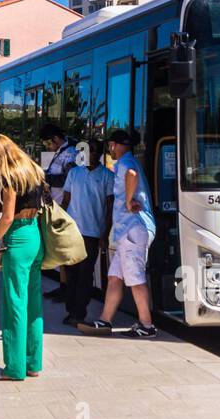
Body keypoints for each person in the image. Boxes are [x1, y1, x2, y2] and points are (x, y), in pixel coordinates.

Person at [0, 134, 48, 381]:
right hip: (35, 236)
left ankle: (14, 368)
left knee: (14, 305)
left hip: (19, 239)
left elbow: (8, 218)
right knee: (33, 304)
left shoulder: (10, 178)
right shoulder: (34, 171)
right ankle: (33, 364)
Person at [80, 129, 157, 337]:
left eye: (110, 146)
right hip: (127, 231)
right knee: (114, 277)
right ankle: (105, 320)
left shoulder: (125, 163)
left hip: (134, 229)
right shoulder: (129, 161)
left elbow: (131, 175)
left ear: (114, 145)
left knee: (136, 278)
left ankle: (146, 325)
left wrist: (130, 200)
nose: (110, 150)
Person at [59, 138, 114, 326]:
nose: (91, 155)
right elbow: (66, 201)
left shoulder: (107, 176)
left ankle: (79, 312)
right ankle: (70, 310)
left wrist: (105, 234)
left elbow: (110, 207)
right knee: (71, 272)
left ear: (99, 154)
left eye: (95, 151)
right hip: (72, 232)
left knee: (85, 274)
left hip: (93, 233)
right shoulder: (74, 173)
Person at [40, 123, 79, 303]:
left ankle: (69, 288)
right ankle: (63, 286)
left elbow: (68, 178)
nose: (47, 147)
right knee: (59, 249)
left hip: (66, 209)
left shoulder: (71, 153)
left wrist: (45, 179)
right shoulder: (57, 153)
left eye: (48, 143)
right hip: (55, 207)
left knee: (65, 249)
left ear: (56, 139)